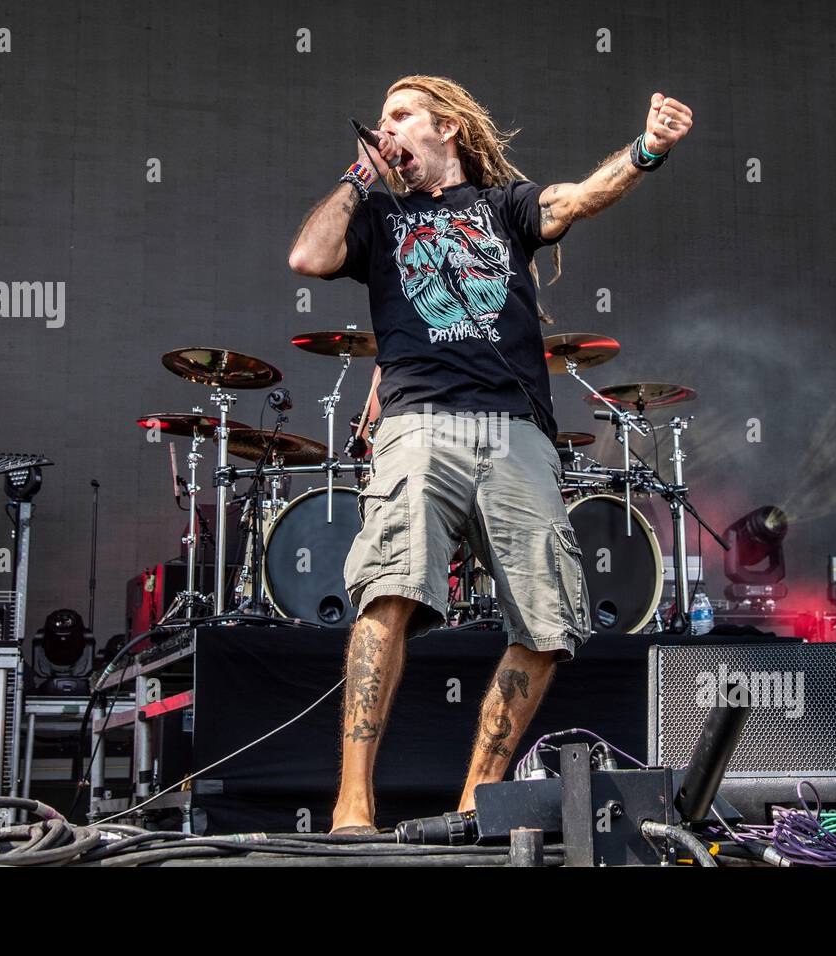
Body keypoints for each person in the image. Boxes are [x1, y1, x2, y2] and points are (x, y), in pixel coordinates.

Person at [288, 75, 692, 833]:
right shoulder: (378, 217)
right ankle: (352, 804)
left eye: (399, 116)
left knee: (547, 624)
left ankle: (478, 795)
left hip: (516, 430)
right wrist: (357, 175)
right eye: (379, 122)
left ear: (443, 127)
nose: (386, 129)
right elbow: (308, 258)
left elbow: (573, 200)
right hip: (419, 423)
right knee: (388, 593)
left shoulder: (502, 207)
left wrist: (647, 150)